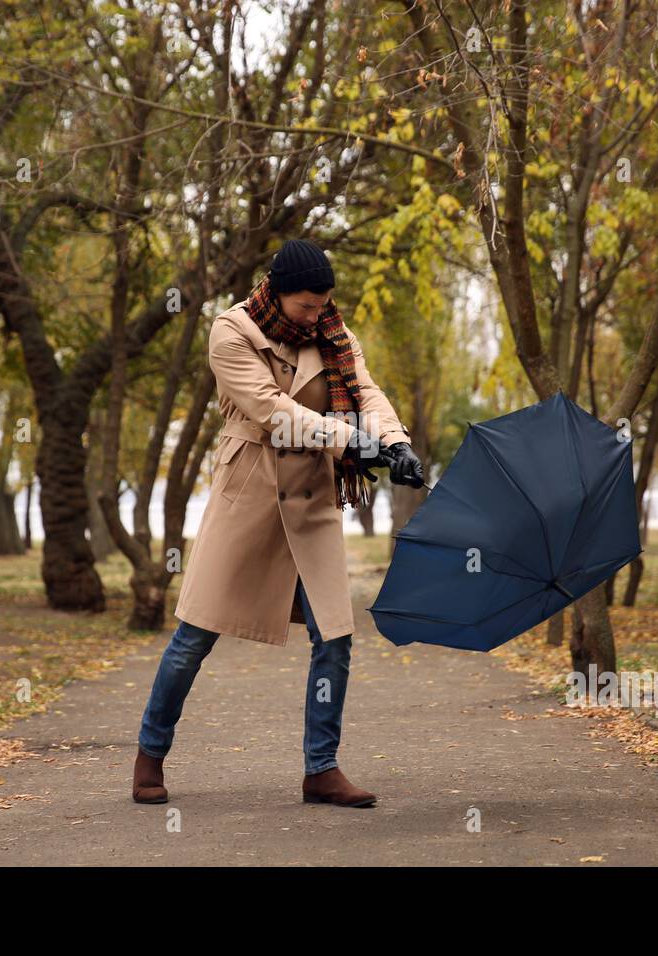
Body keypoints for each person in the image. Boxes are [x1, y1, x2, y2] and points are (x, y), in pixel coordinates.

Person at [133, 238, 424, 808]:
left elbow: (365, 392)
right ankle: (150, 753)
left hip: (312, 497)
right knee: (195, 635)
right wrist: (356, 444)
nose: (317, 317)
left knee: (335, 637)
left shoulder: (334, 334)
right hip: (251, 495)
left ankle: (321, 768)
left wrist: (395, 442)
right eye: (307, 307)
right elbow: (273, 411)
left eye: (323, 305)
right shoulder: (231, 331)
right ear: (278, 292)